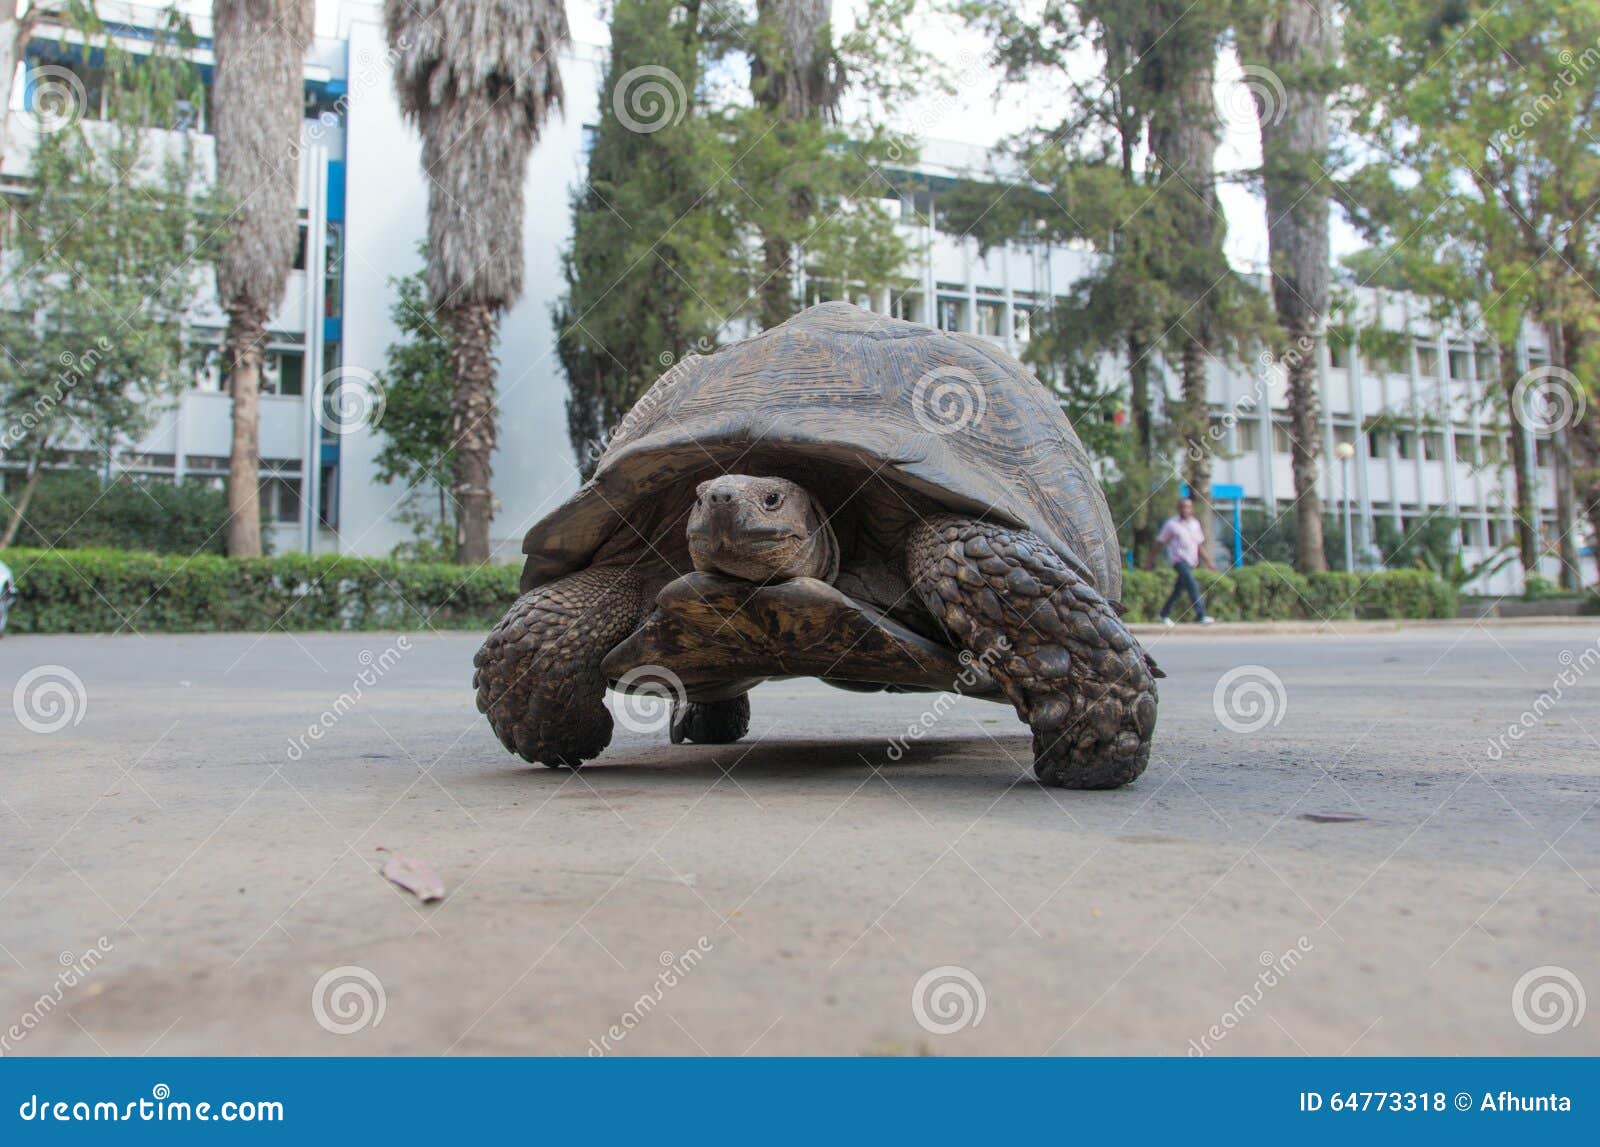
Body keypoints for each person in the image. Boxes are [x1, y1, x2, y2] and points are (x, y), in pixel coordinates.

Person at [1149, 497, 1216, 627]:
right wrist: (1149, 560)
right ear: (1178, 508)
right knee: (1192, 585)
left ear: (1191, 509)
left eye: (1188, 507)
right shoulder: (1171, 524)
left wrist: (1209, 562)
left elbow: (1199, 546)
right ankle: (1201, 615)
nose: (1185, 509)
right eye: (1182, 507)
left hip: (1191, 562)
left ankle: (1163, 614)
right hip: (1179, 561)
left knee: (1178, 590)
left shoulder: (1195, 524)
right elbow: (1160, 542)